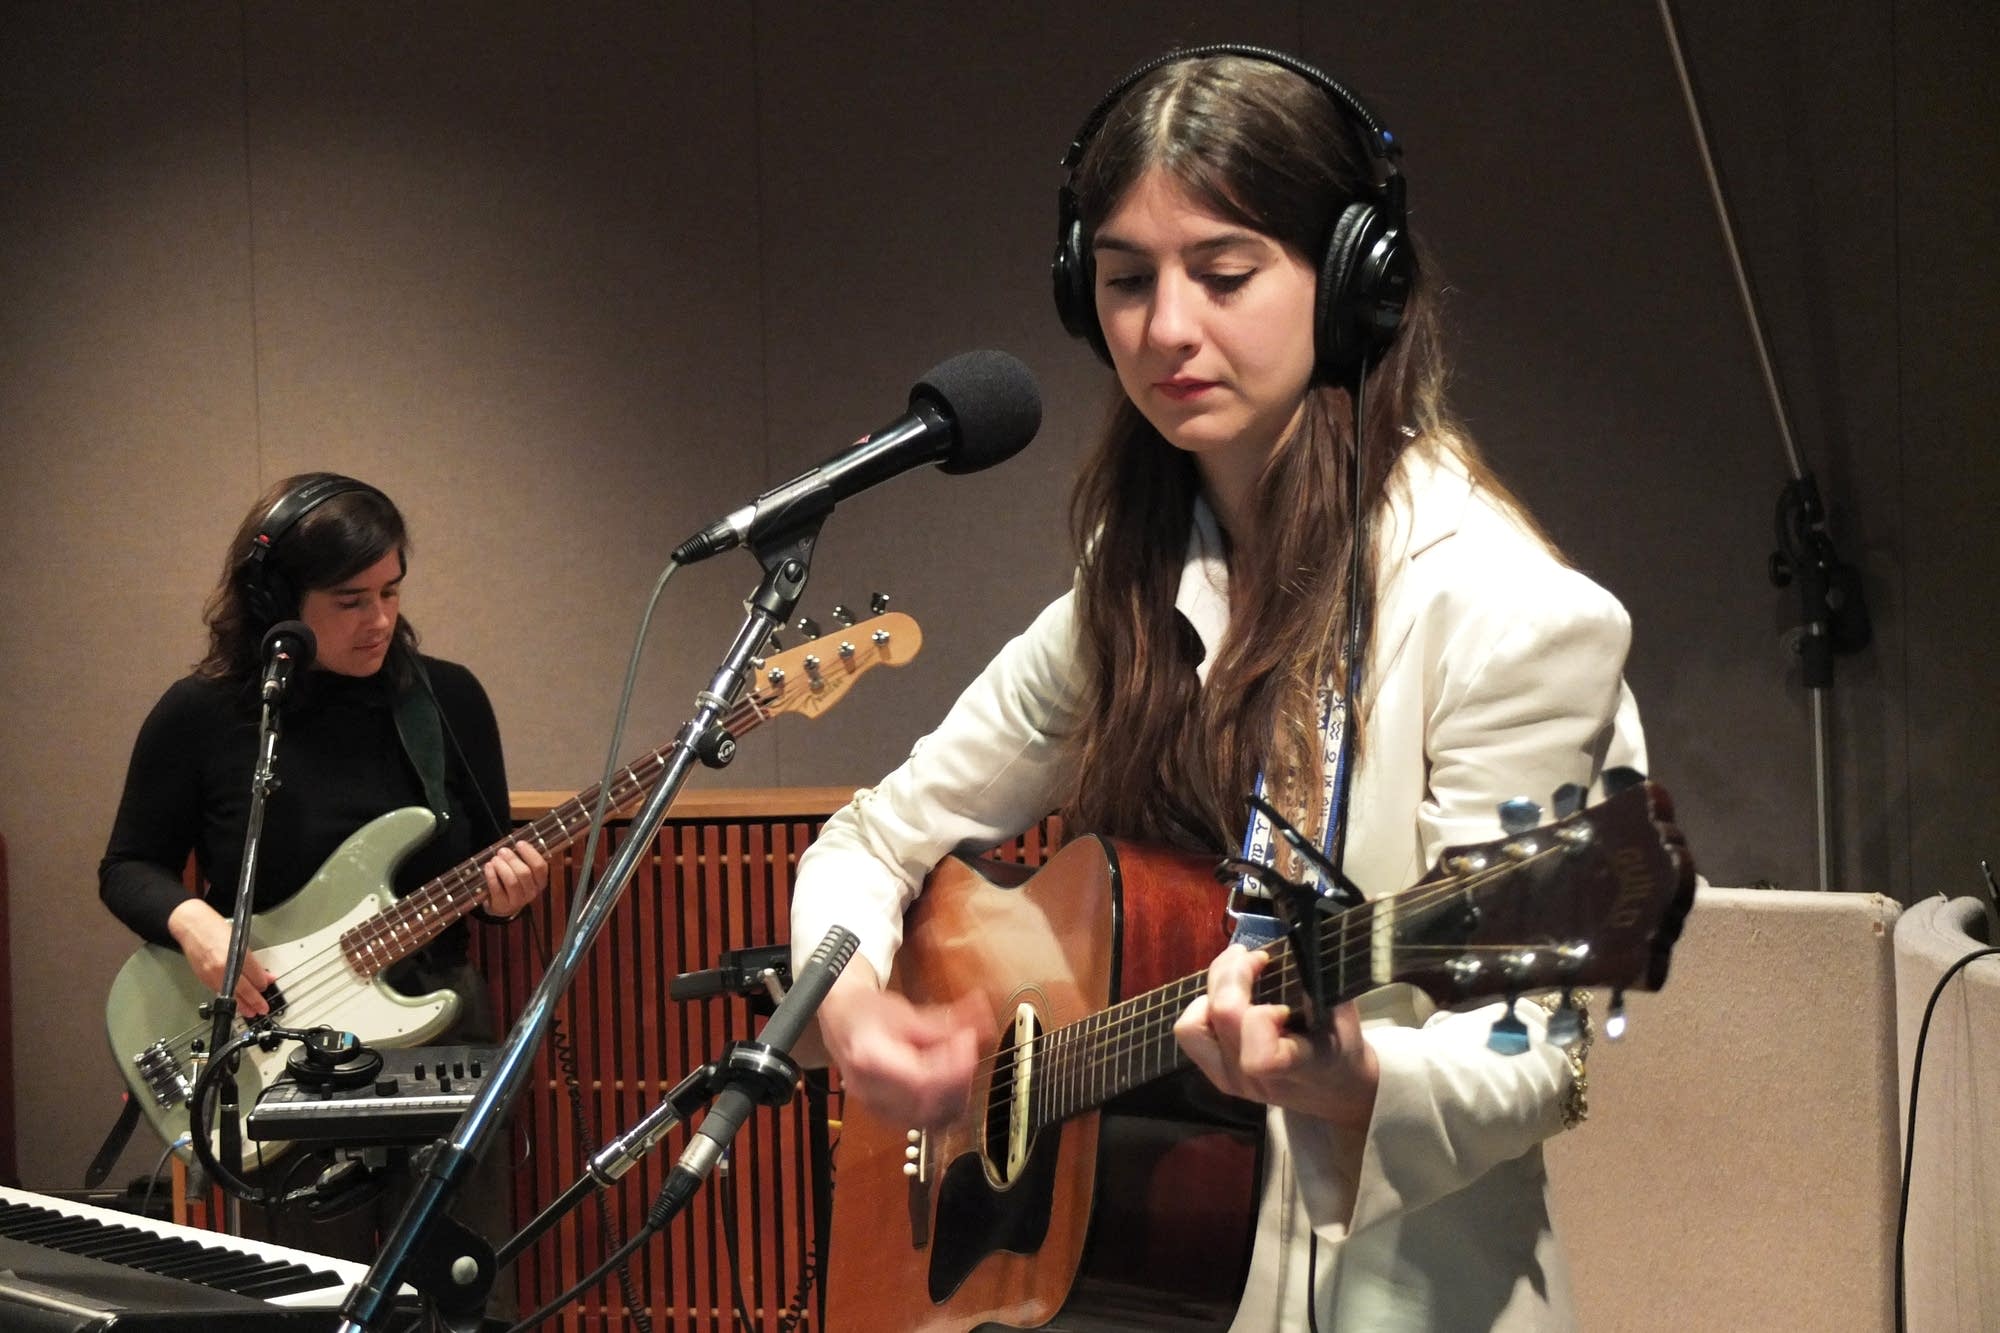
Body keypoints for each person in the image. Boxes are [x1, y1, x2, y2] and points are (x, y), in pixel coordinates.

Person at [789, 45, 1646, 1331]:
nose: (1165, 327)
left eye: (1224, 273)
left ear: (1354, 281)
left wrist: (1351, 1073)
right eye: (1126, 281)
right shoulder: (1123, 589)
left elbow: (1538, 1057)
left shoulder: (1507, 614)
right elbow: (871, 839)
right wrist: (851, 1009)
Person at [99, 471, 548, 1257]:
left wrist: (508, 897)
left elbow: (487, 862)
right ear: (277, 603)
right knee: (304, 1283)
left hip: (439, 1022)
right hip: (281, 1038)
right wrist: (194, 921)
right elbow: (130, 864)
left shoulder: (446, 700)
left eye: (392, 592)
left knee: (456, 1276)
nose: (379, 620)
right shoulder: (204, 713)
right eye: (350, 600)